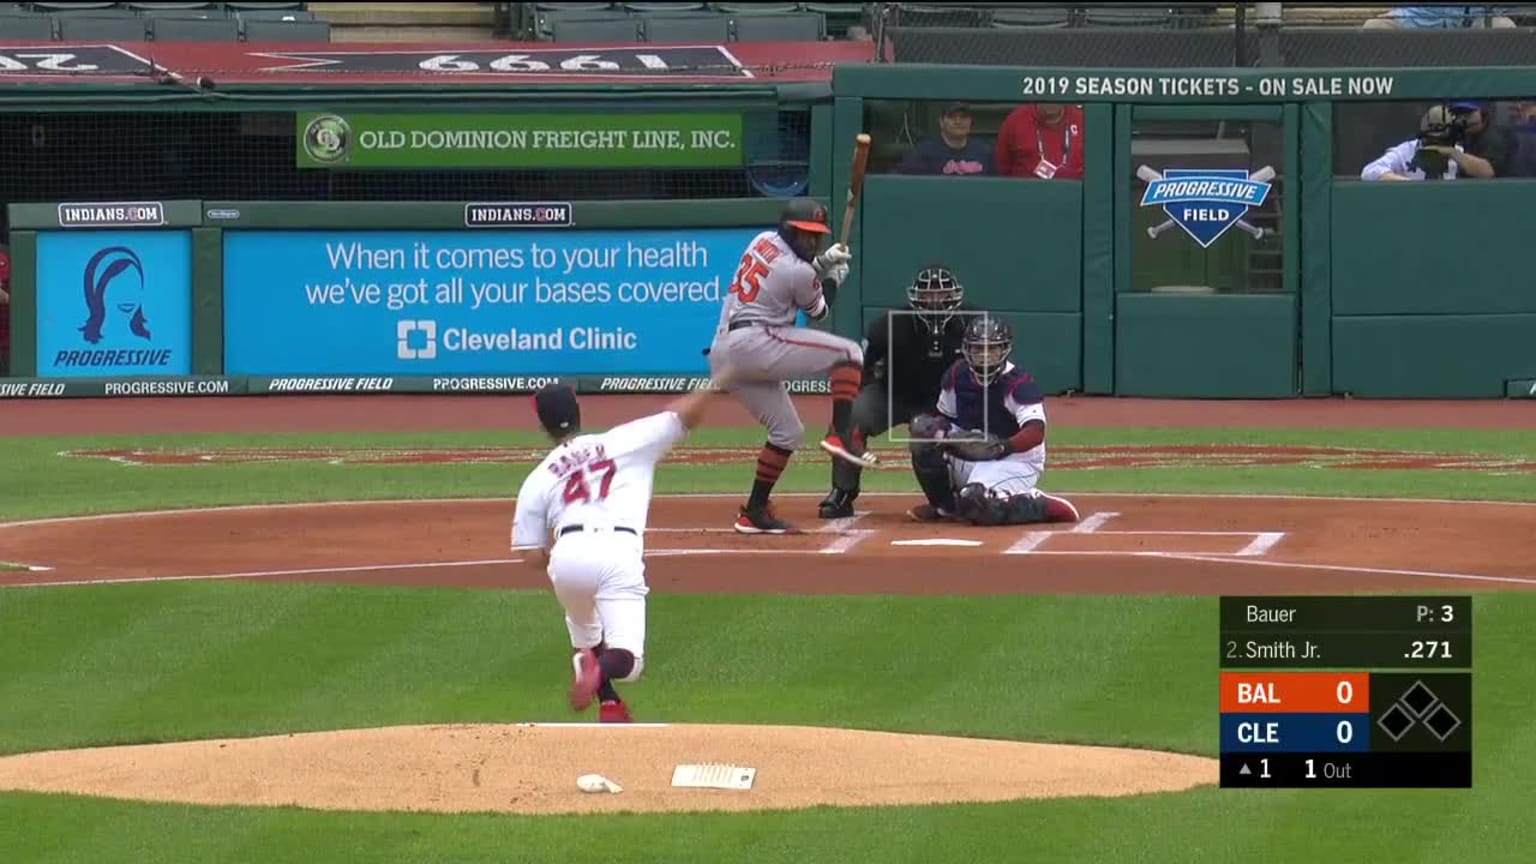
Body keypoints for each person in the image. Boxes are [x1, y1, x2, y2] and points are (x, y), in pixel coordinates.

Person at [509, 373, 735, 723]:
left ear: (544, 426)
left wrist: (560, 562)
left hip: (568, 554)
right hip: (617, 550)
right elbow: (684, 416)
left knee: (586, 634)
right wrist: (718, 380)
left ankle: (609, 703)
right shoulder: (625, 439)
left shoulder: (538, 477)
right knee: (627, 659)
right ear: (578, 409)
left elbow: (529, 554)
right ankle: (599, 673)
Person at [706, 196, 877, 536]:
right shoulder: (797, 270)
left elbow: (792, 276)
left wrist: (822, 264)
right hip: (755, 344)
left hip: (724, 353)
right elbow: (819, 311)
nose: (812, 241)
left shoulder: (762, 241)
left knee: (788, 432)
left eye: (817, 236)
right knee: (850, 353)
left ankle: (754, 511)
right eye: (804, 234)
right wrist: (832, 279)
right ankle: (841, 434)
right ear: (788, 230)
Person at [818, 265, 979, 519]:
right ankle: (842, 492)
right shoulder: (888, 325)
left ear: (954, 296)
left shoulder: (970, 325)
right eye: (928, 295)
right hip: (892, 393)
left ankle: (946, 499)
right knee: (851, 419)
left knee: (926, 439)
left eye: (941, 295)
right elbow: (863, 368)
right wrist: (847, 411)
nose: (935, 301)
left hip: (942, 402)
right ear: (916, 297)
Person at [905, 316, 1080, 526]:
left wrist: (1000, 447)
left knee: (977, 504)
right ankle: (946, 507)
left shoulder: (1018, 383)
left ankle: (1041, 505)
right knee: (924, 436)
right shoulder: (956, 374)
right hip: (970, 453)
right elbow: (943, 417)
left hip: (1015, 460)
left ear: (1004, 350)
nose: (985, 356)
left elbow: (1035, 432)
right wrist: (935, 430)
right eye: (979, 350)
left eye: (992, 349)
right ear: (967, 350)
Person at [1361, 105, 1471, 181]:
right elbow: (1369, 172)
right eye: (1431, 140)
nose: (1436, 144)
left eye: (1441, 140)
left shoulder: (1459, 153)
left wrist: (1452, 153)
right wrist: (1413, 186)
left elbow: (1487, 174)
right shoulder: (1407, 151)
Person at [894, 102, 994, 177]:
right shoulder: (922, 152)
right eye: (951, 117)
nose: (958, 121)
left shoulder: (984, 152)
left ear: (971, 122)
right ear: (941, 122)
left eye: (963, 117)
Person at [995, 102, 1086, 180]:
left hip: (1076, 195)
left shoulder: (1081, 119)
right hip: (1026, 195)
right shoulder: (1016, 120)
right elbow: (1003, 168)